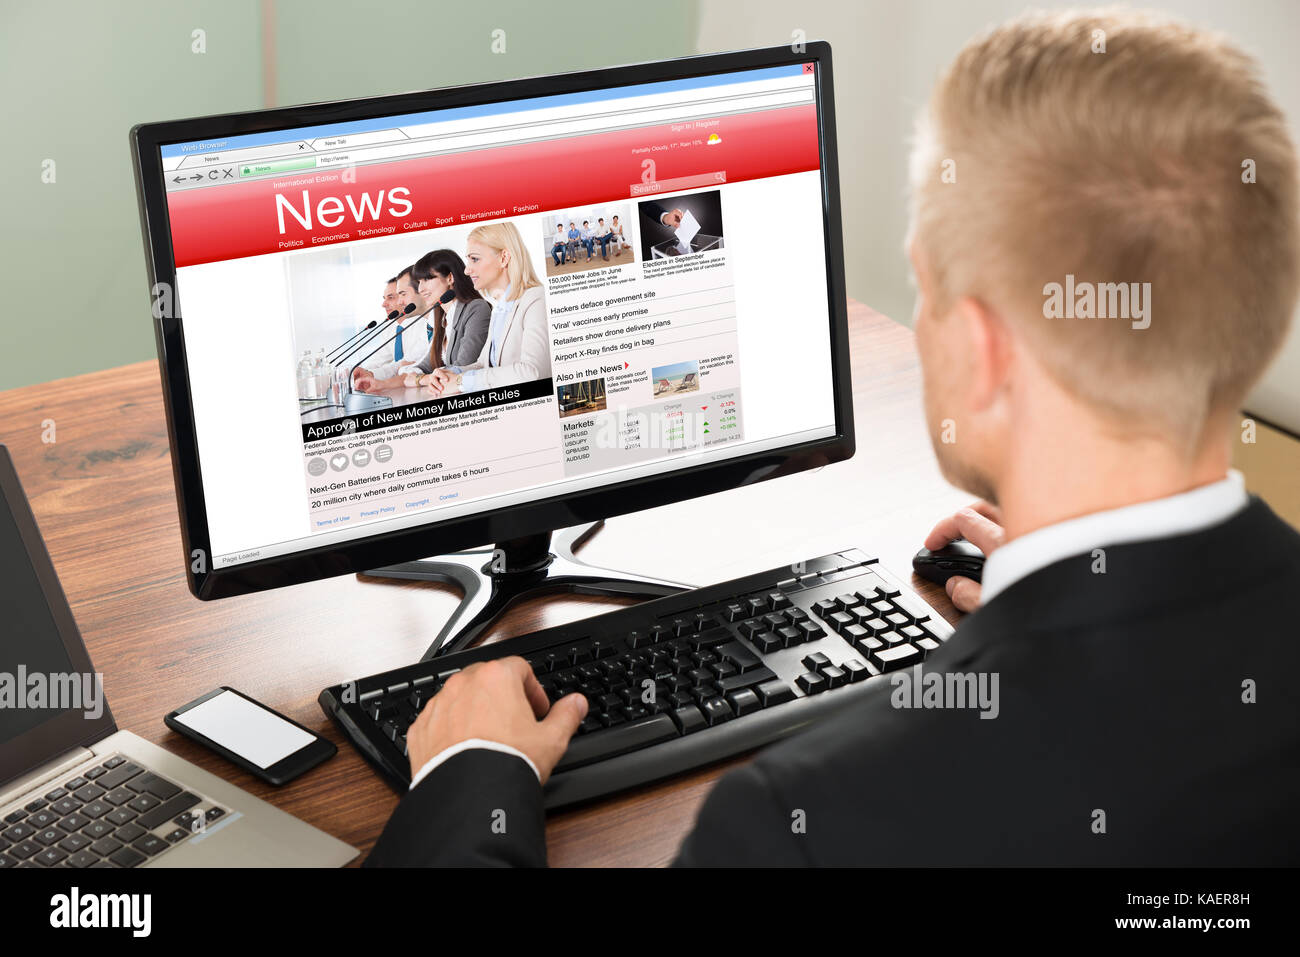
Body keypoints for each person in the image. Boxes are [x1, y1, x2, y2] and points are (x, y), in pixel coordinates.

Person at [367, 10, 1300, 867]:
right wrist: (1083, 613)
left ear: (980, 351)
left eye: (923, 289)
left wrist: (469, 771)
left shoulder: (803, 827)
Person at [421, 221, 550, 395]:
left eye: (474, 259)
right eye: (468, 260)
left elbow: (533, 372)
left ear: (504, 258)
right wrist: (451, 373)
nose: (466, 270)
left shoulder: (536, 299)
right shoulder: (500, 308)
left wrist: (461, 381)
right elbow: (483, 364)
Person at [354, 250, 490, 393]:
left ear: (450, 278)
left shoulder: (476, 308)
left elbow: (461, 368)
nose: (421, 288)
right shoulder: (442, 316)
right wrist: (382, 384)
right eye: (419, 282)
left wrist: (418, 379)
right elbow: (424, 365)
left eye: (428, 279)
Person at [350, 267, 431, 384]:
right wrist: (366, 373)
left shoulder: (424, 322)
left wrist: (401, 369)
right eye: (384, 298)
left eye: (391, 297)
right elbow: (382, 361)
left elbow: (413, 365)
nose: (384, 304)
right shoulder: (389, 328)